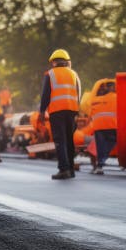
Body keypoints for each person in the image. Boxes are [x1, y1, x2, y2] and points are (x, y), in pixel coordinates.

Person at [39, 49, 81, 180]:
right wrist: (76, 110)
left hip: (57, 111)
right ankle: (71, 169)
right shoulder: (74, 74)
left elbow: (46, 94)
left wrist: (41, 111)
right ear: (67, 62)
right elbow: (78, 93)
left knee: (60, 140)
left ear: (54, 62)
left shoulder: (50, 74)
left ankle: (64, 170)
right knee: (69, 140)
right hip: (72, 111)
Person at [89, 81, 116, 175]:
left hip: (98, 127)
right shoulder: (117, 97)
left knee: (101, 147)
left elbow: (90, 114)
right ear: (112, 88)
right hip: (112, 126)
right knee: (110, 144)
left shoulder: (95, 100)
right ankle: (101, 161)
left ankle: (100, 165)